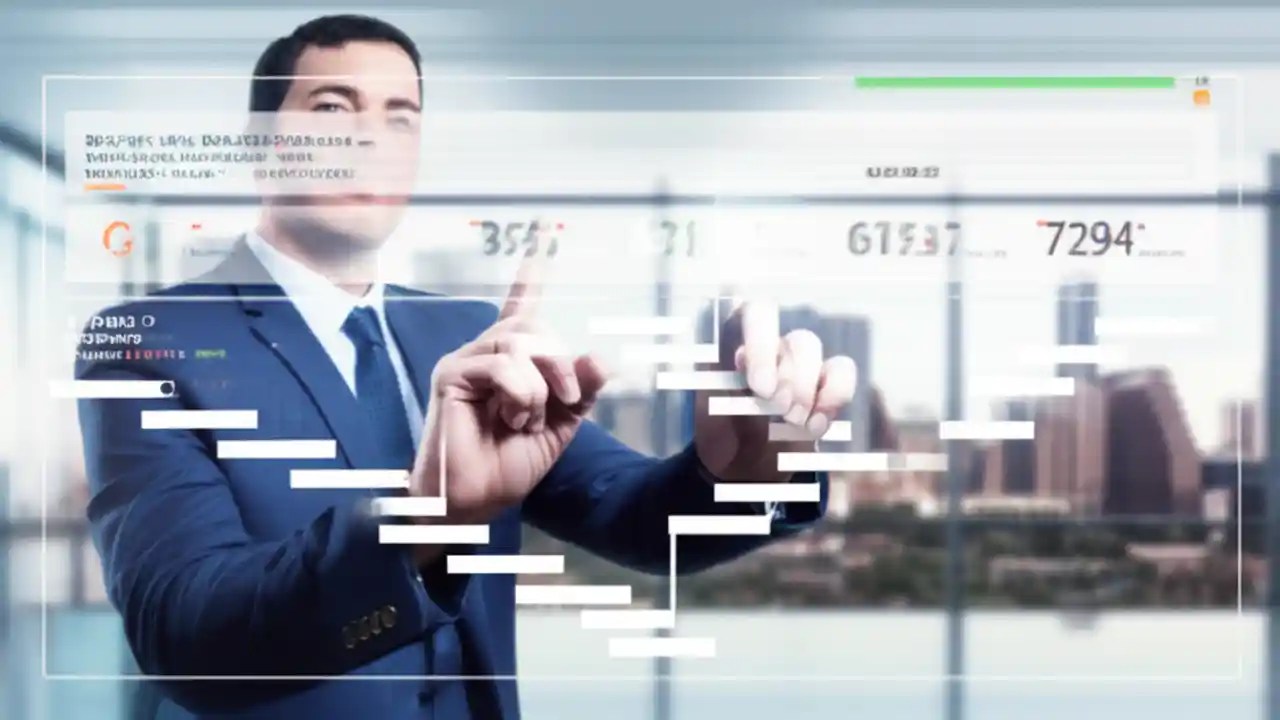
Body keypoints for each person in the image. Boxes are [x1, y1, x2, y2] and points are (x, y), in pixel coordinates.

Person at [75, 14, 857, 720]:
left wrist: (737, 473)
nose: (372, 140)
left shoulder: (472, 337)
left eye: (401, 118)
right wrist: (427, 519)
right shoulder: (150, 344)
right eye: (333, 109)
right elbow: (185, 633)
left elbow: (635, 519)